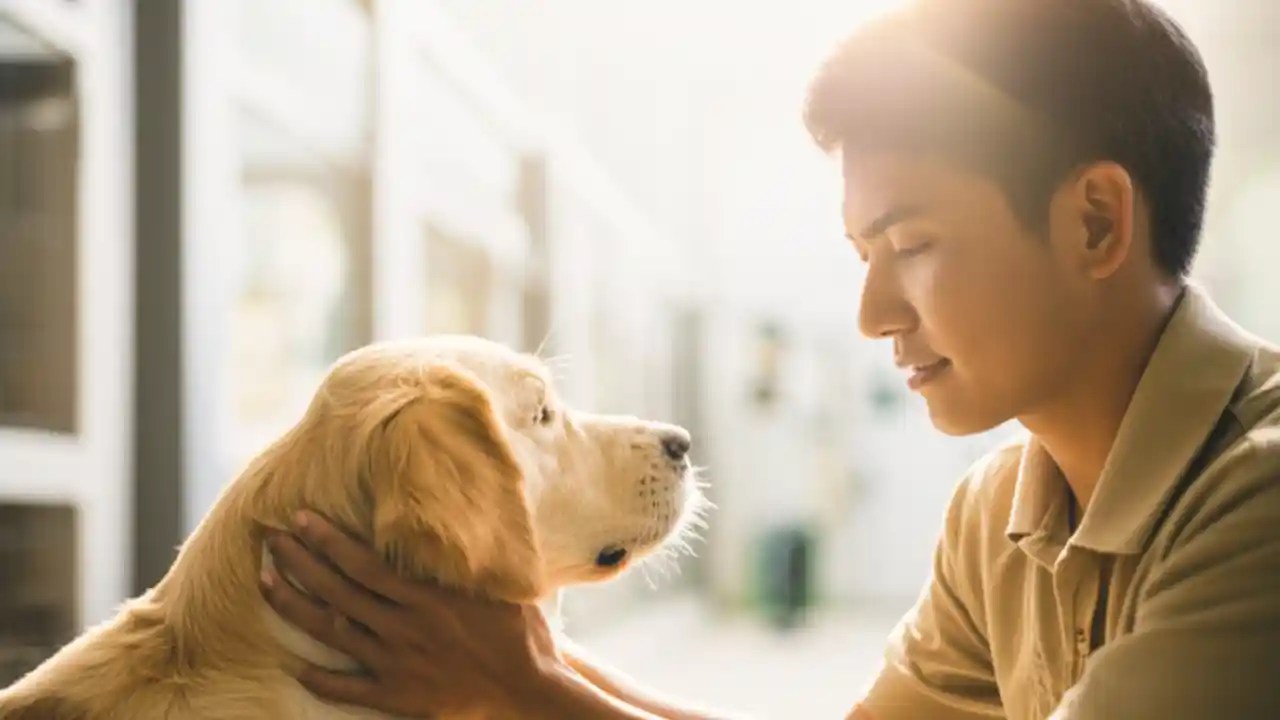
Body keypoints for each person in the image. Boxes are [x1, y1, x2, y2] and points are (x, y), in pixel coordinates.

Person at [259, 0, 1280, 717]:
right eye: (860, 256)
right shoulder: (998, 511)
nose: (874, 313)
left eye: (911, 245)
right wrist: (525, 663)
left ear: (1095, 221)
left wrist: (527, 689)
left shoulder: (1259, 497)